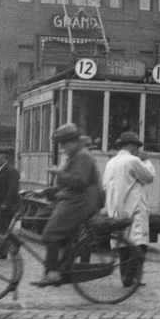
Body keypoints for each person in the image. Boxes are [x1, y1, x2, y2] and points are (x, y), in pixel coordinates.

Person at [35, 123, 105, 287]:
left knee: (50, 234)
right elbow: (68, 185)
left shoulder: (83, 156)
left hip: (80, 203)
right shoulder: (76, 156)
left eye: (64, 145)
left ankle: (52, 274)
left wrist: (58, 173)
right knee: (50, 226)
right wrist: (45, 192)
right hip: (74, 201)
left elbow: (79, 182)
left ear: (73, 142)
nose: (63, 148)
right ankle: (63, 267)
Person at [103, 131, 155, 287]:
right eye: (136, 147)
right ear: (132, 146)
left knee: (123, 244)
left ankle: (126, 276)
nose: (137, 150)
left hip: (115, 210)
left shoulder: (111, 162)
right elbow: (149, 176)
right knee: (139, 244)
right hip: (134, 209)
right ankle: (130, 276)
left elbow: (105, 185)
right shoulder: (133, 161)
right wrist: (146, 161)